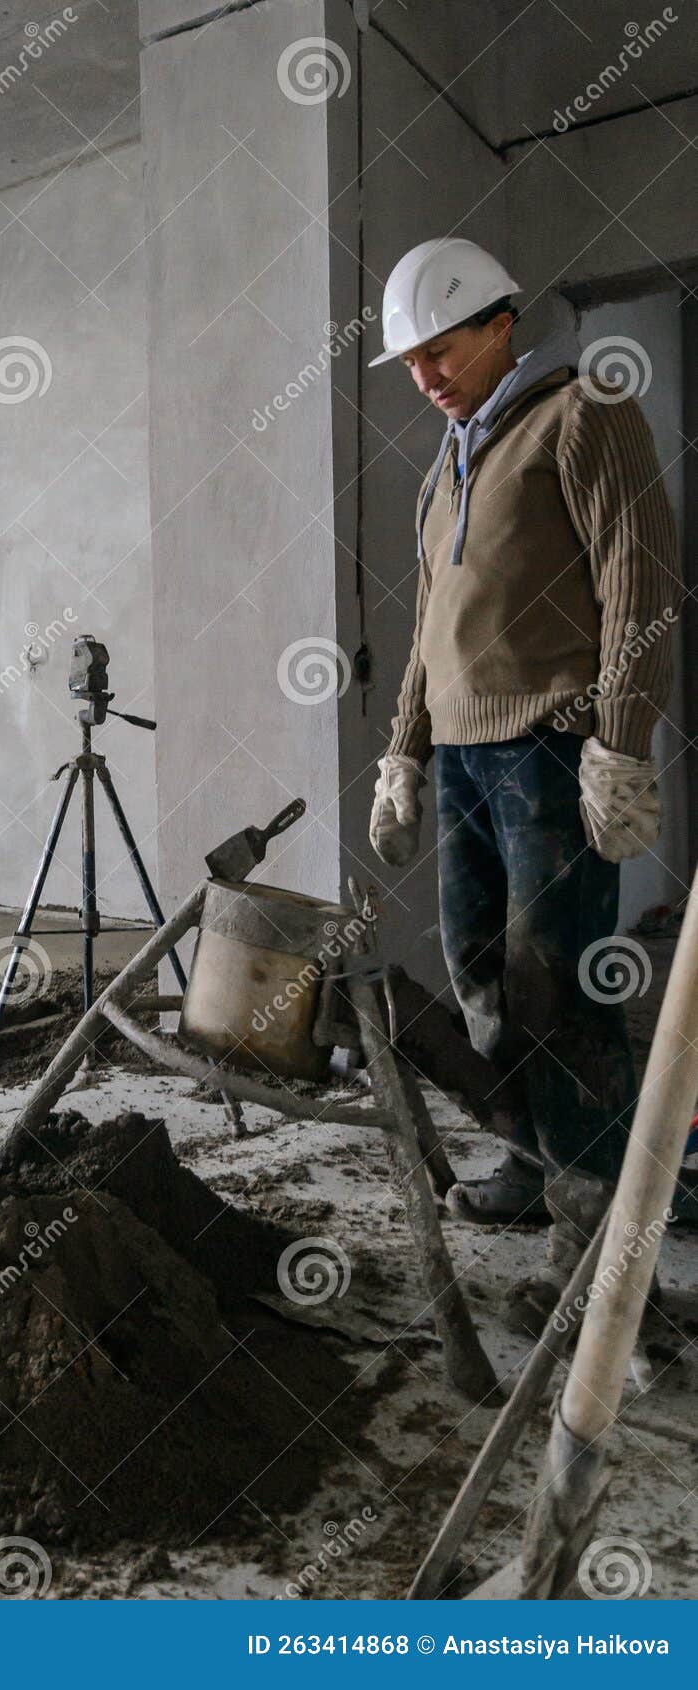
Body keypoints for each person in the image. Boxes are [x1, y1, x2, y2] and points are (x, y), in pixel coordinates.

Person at [366, 237, 682, 1334]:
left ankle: (590, 1218)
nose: (423, 376)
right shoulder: (446, 465)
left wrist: (619, 738)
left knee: (557, 989)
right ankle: (521, 1157)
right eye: (406, 361)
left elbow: (640, 576)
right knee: (480, 974)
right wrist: (402, 753)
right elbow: (425, 632)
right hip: (460, 757)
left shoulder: (581, 413)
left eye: (438, 350)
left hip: (549, 747)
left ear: (499, 321)